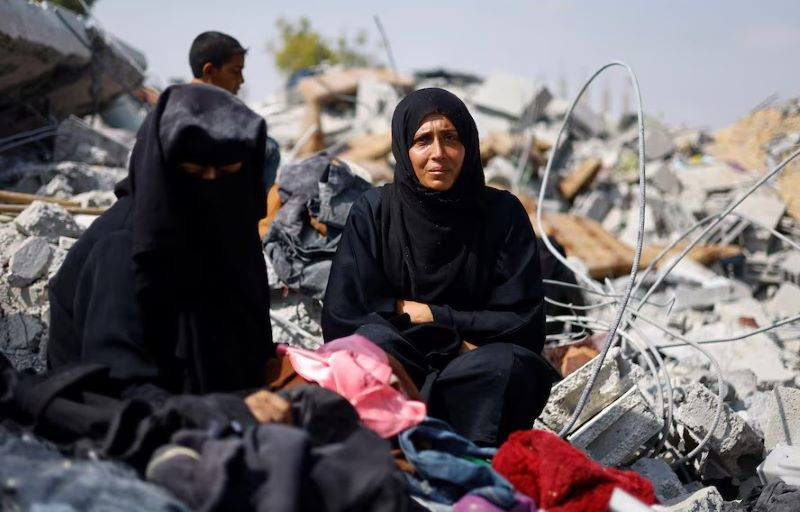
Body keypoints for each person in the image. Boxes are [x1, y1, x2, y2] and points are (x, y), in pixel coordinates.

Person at [321, 88, 558, 446]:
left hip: (474, 364)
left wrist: (434, 317)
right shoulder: (374, 212)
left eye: (450, 138)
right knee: (368, 347)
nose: (438, 154)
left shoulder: (503, 215)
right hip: (402, 360)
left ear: (469, 145)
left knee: (511, 367)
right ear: (403, 147)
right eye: (422, 140)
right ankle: (396, 447)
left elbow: (523, 321)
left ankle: (475, 459)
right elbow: (345, 316)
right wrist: (449, 340)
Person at [47, 84, 280, 412]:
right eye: (195, 173)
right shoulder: (123, 247)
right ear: (162, 167)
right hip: (127, 434)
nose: (213, 186)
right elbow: (117, 389)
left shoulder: (230, 233)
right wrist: (235, 410)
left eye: (228, 172)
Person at [189, 30, 280, 213]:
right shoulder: (212, 115)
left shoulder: (167, 107)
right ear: (209, 71)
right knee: (269, 148)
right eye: (235, 71)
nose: (241, 80)